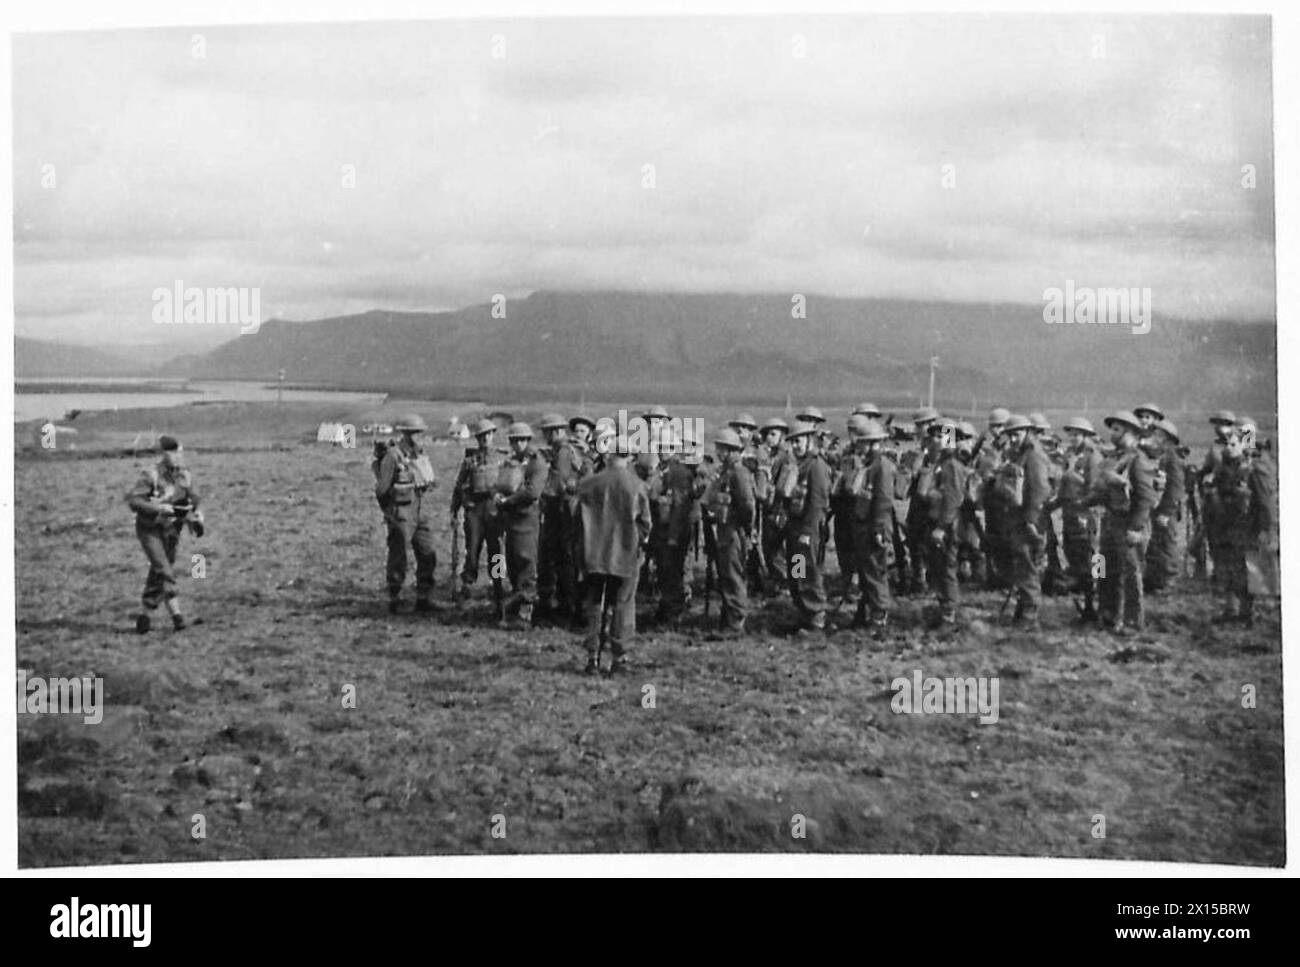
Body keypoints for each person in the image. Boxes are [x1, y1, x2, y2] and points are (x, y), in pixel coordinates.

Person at [575, 436, 652, 675]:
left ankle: (593, 657)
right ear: (630, 457)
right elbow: (645, 524)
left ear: (608, 455)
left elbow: (577, 519)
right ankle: (620, 658)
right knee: (623, 604)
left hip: (594, 552)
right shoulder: (637, 486)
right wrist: (640, 542)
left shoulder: (588, 484)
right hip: (626, 552)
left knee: (595, 603)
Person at [126, 435, 204, 632]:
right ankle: (178, 617)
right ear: (162, 454)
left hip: (172, 531)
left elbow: (194, 502)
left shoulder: (185, 476)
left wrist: (196, 518)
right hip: (149, 529)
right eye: (170, 452)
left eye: (178, 452)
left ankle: (145, 615)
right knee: (165, 570)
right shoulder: (151, 475)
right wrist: (157, 508)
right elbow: (134, 501)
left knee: (158, 572)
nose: (176, 457)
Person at [1089, 411, 1157, 635]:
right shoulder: (1115, 458)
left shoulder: (1138, 460)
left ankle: (1131, 622)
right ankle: (1107, 614)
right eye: (1113, 429)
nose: (1112, 433)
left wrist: (1136, 528)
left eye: (1117, 430)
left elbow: (1146, 497)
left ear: (1131, 433)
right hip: (1110, 520)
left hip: (1128, 524)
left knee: (1131, 573)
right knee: (1102, 567)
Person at [374, 414, 440, 614]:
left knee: (427, 552)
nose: (420, 436)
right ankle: (395, 598)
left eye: (421, 432)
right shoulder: (393, 456)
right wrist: (390, 513)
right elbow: (382, 489)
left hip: (419, 510)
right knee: (398, 556)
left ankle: (423, 597)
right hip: (400, 512)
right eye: (416, 433)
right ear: (407, 434)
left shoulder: (419, 454)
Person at [840, 415, 895, 636]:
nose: (859, 446)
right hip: (863, 527)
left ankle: (879, 617)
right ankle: (866, 612)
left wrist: (880, 530)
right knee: (866, 572)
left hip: (874, 530)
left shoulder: (881, 466)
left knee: (875, 574)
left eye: (863, 442)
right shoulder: (869, 465)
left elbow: (883, 501)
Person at [492, 422, 548, 630]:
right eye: (514, 440)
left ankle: (526, 612)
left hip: (526, 519)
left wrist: (509, 501)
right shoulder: (510, 461)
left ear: (528, 440)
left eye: (521, 440)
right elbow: (499, 483)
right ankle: (512, 604)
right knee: (510, 563)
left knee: (526, 562)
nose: (517, 444)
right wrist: (496, 495)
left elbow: (532, 492)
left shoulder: (536, 463)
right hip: (509, 520)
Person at [999, 414, 1051, 627]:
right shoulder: (1020, 454)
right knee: (1022, 565)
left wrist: (1031, 519)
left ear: (1028, 432)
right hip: (1020, 518)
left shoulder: (1034, 456)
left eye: (1017, 434)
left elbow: (1040, 489)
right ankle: (1023, 611)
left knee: (1029, 567)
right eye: (1010, 435)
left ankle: (1029, 617)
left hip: (1033, 519)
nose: (1012, 439)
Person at [703, 428, 755, 636]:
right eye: (719, 448)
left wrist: (746, 530)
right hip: (725, 531)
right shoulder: (726, 472)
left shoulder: (738, 473)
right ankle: (729, 617)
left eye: (724, 449)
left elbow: (747, 505)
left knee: (734, 576)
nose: (719, 453)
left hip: (735, 532)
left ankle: (735, 623)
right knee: (726, 574)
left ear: (734, 450)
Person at [782, 421, 831, 633]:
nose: (795, 446)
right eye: (792, 442)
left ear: (810, 441)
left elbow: (818, 503)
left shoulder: (816, 466)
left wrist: (807, 533)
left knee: (808, 574)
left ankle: (816, 618)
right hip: (795, 529)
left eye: (799, 441)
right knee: (796, 572)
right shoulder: (797, 466)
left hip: (807, 531)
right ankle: (803, 613)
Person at [450, 418, 505, 607]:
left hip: (494, 509)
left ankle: (498, 585)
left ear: (493, 436)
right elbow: (459, 486)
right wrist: (456, 509)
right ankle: (467, 584)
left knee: (496, 551)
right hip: (474, 510)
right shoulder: (470, 461)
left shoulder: (502, 459)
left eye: (488, 435)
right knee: (472, 550)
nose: (485, 439)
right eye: (481, 436)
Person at [536, 413, 583, 622]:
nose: (545, 436)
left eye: (546, 432)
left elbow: (560, 483)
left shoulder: (563, 452)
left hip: (563, 513)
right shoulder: (561, 450)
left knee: (563, 559)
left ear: (554, 431)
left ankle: (567, 605)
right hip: (562, 511)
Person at [927, 419, 969, 624]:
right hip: (940, 522)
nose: (938, 440)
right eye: (935, 436)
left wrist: (942, 527)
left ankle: (949, 614)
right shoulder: (941, 463)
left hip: (948, 526)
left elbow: (953, 499)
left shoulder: (951, 465)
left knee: (946, 569)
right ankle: (945, 608)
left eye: (942, 436)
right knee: (939, 568)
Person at [1144, 419, 1187, 594]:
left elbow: (1176, 487)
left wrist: (1167, 512)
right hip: (1159, 507)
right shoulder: (1161, 456)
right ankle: (1156, 579)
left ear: (1168, 439)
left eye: (1158, 435)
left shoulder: (1173, 458)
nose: (1154, 437)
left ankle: (1168, 580)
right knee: (1157, 543)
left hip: (1166, 509)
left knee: (1167, 544)